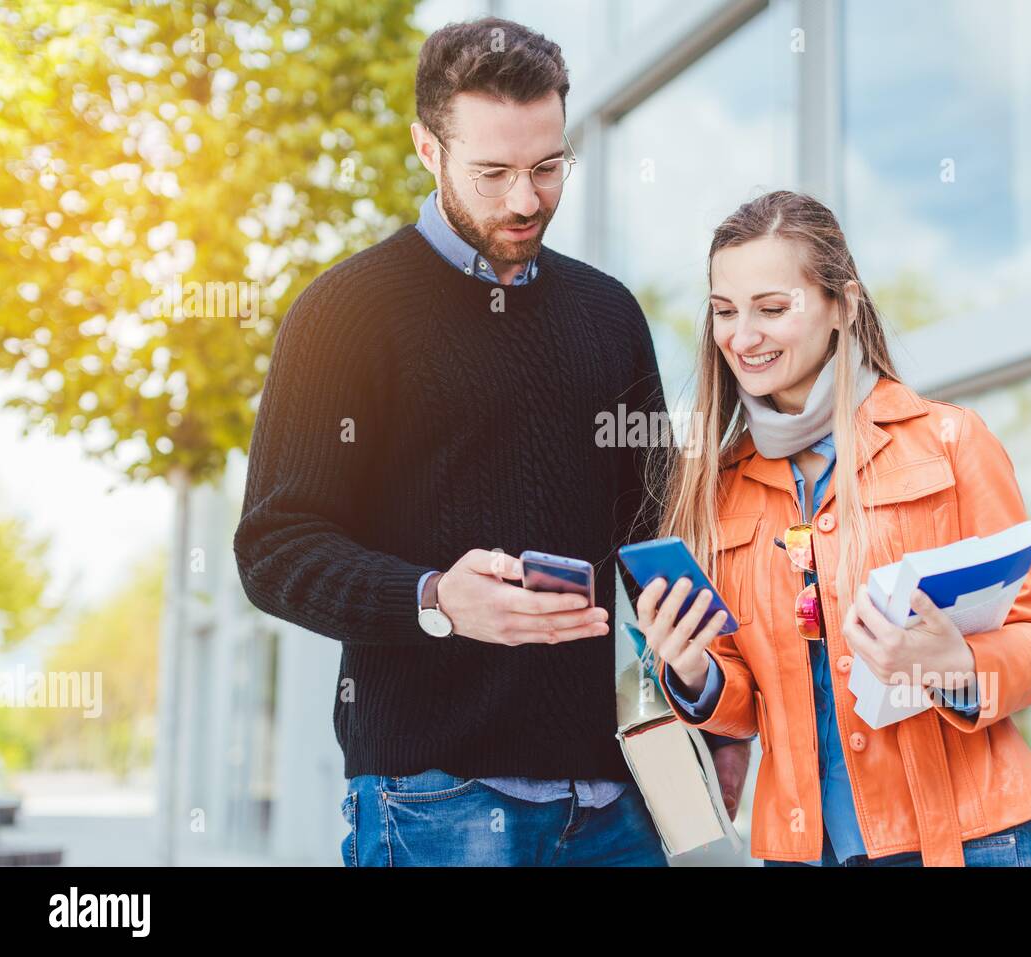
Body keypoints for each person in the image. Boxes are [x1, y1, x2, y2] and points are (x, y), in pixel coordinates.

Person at [232, 16, 748, 867]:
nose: (524, 199)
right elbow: (274, 549)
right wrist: (434, 599)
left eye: (549, 168)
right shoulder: (344, 314)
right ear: (428, 150)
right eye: (494, 171)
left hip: (618, 797)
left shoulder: (610, 315)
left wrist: (716, 710)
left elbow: (659, 535)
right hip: (433, 798)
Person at [635, 190, 1031, 866]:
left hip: (965, 840)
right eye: (725, 312)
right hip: (805, 850)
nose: (742, 337)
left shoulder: (950, 442)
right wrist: (692, 667)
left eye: (773, 308)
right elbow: (749, 703)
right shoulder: (719, 484)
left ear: (843, 305)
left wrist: (954, 663)